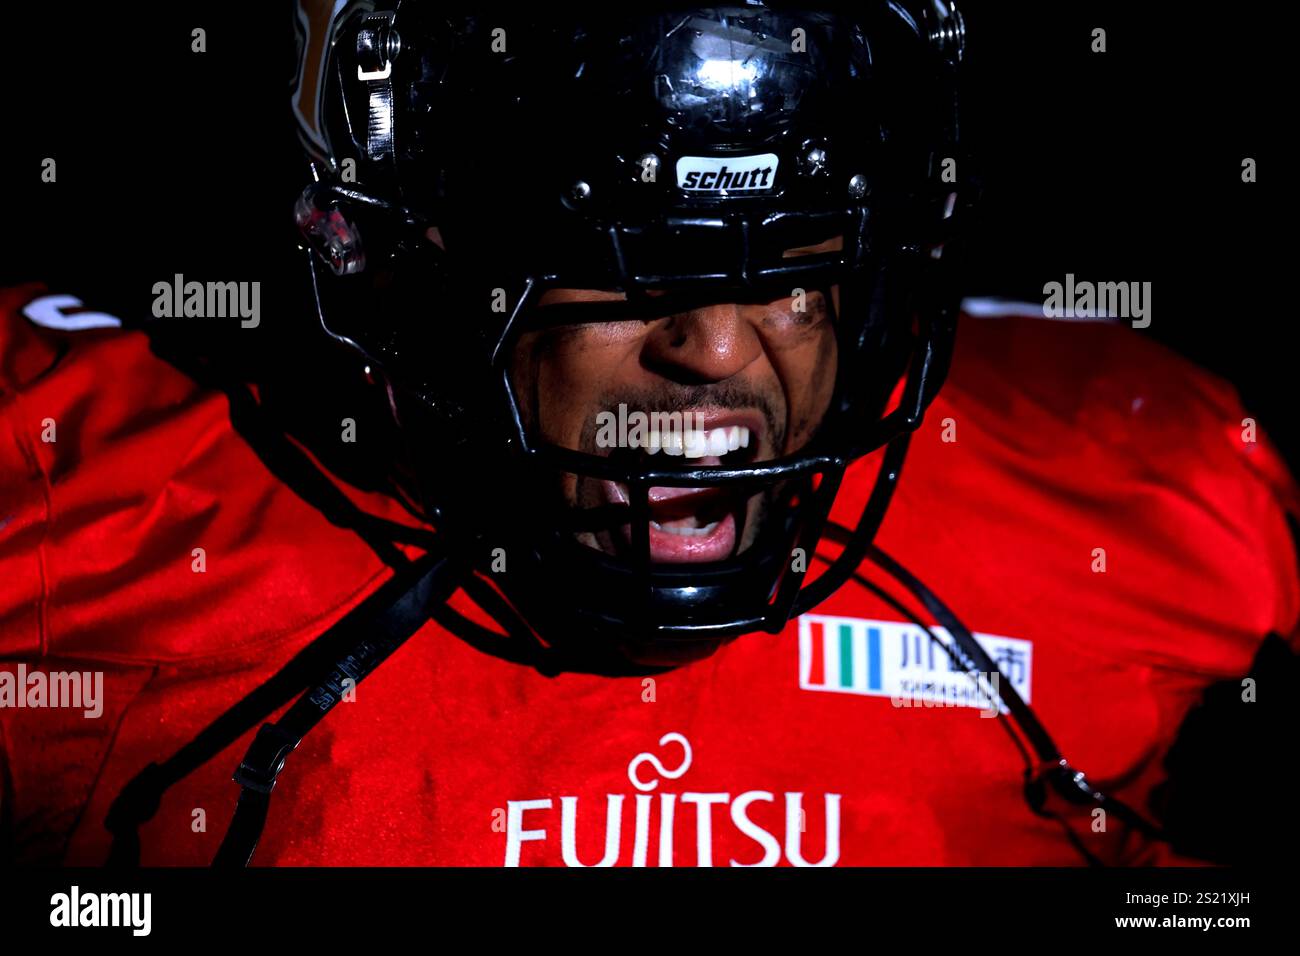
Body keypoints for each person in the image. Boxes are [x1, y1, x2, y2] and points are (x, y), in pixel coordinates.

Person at [1, 2, 1296, 867]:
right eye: (626, 268)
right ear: (412, 258)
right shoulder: (76, 504)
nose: (724, 349)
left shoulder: (1150, 499)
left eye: (793, 259)